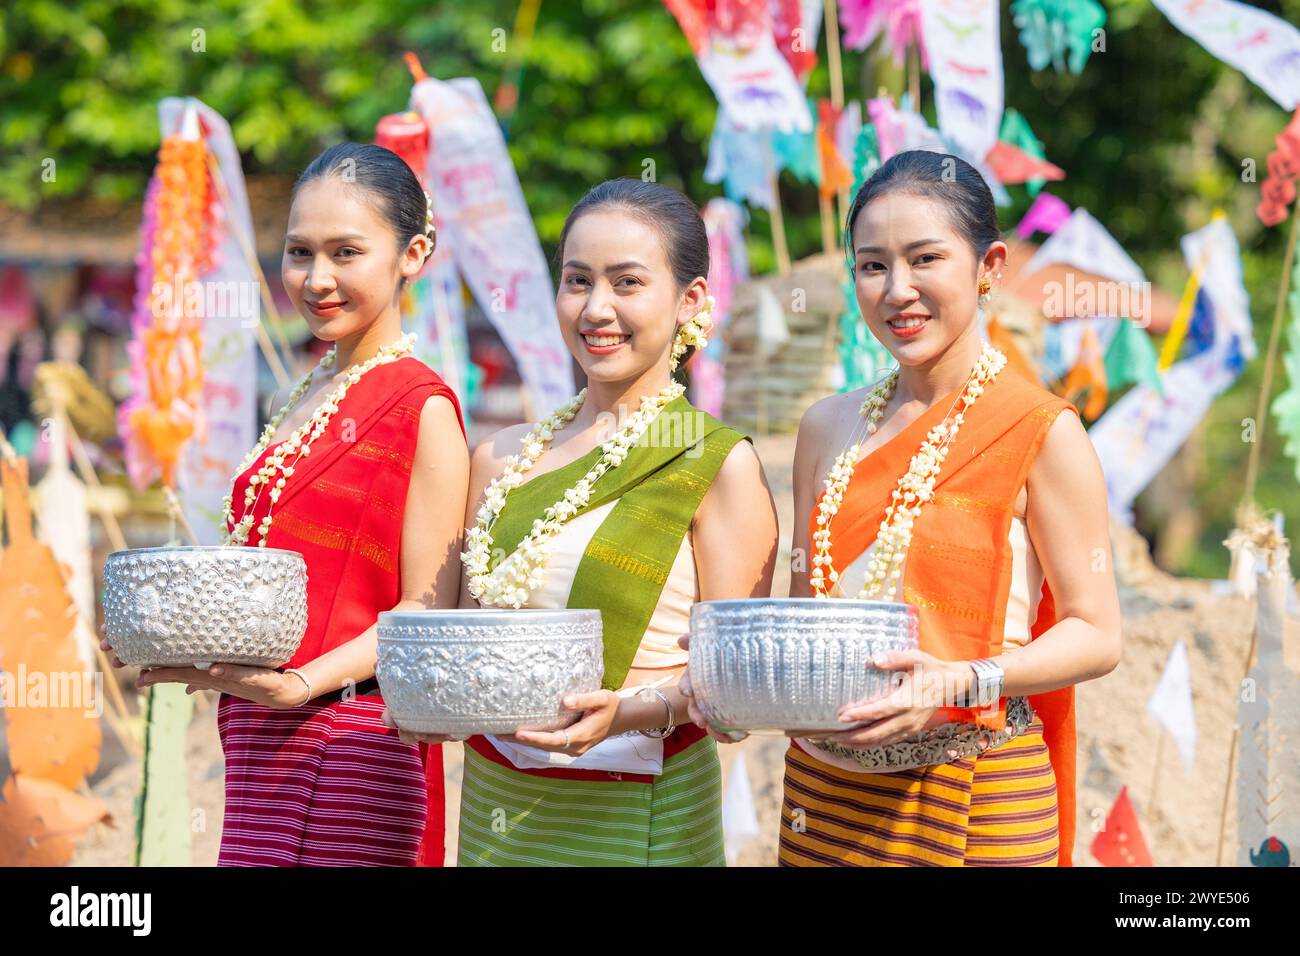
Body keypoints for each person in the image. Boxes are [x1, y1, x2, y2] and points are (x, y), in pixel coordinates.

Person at [688, 149, 1122, 866]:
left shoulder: (1042, 430)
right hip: (826, 796)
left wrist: (965, 678)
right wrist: (734, 688)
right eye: (873, 265)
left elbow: (1097, 633)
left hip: (977, 792)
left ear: (990, 267)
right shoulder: (826, 426)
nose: (898, 290)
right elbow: (810, 623)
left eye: (926, 259)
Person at [393, 179, 778, 866]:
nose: (597, 308)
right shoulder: (503, 457)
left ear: (691, 301)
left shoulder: (715, 463)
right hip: (498, 809)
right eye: (578, 280)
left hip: (638, 810)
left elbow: (736, 692)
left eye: (627, 282)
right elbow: (450, 639)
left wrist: (631, 712)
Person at [111, 143, 469, 866]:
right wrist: (171, 639)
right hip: (257, 739)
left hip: (350, 744)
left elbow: (428, 613)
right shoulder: (303, 394)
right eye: (300, 252)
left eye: (346, 252)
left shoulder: (420, 407)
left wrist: (299, 685)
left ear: (414, 254)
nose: (318, 279)